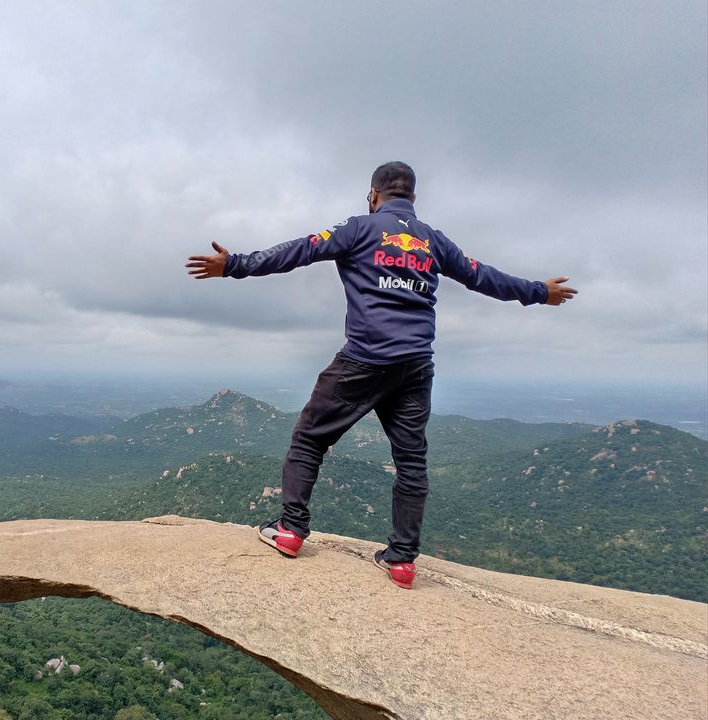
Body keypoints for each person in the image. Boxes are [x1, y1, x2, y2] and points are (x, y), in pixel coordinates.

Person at [185, 161, 577, 589]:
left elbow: (298, 251)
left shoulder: (357, 228)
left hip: (364, 360)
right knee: (410, 461)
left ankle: (291, 529)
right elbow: (482, 276)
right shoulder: (433, 241)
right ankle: (402, 560)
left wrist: (236, 264)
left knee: (309, 438)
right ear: (413, 198)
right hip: (414, 366)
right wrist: (539, 292)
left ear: (372, 195)